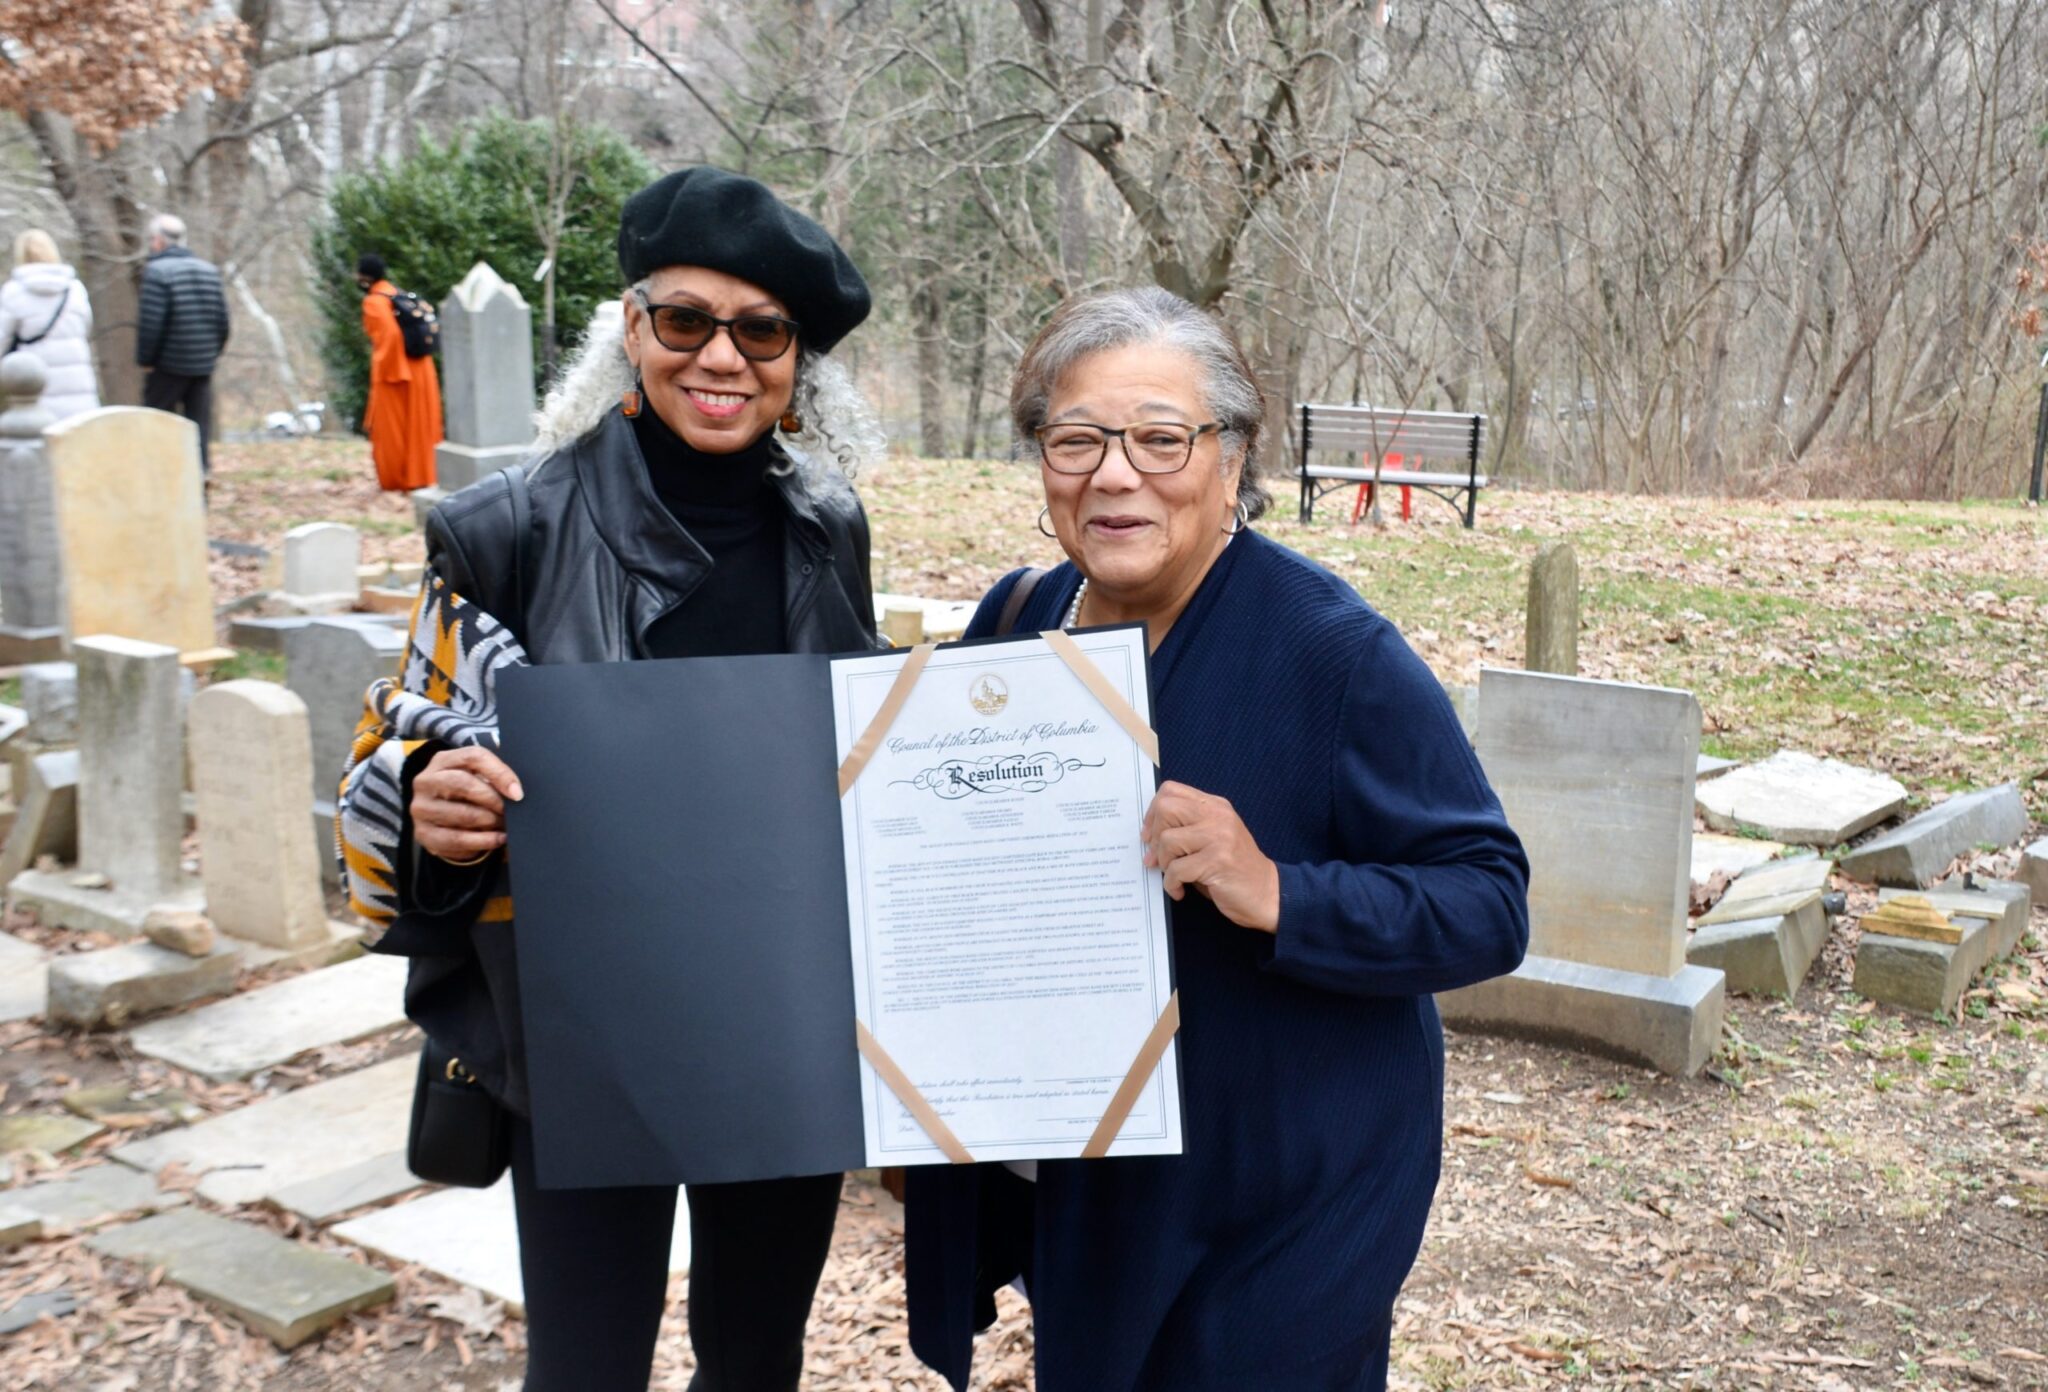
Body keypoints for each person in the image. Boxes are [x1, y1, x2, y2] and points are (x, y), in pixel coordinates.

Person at [905, 287, 1531, 1392]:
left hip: (1283, 1203)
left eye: (1161, 439)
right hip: (1096, 1188)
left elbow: (1488, 903)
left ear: (1231, 460)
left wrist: (1278, 889)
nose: (1114, 475)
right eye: (1076, 440)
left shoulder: (1332, 655)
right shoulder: (1017, 621)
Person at [335, 166, 886, 1392]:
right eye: (684, 319)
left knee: (756, 1359)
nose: (720, 358)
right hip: (583, 1038)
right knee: (584, 1366)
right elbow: (397, 753)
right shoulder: (504, 529)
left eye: (760, 332)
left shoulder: (827, 524)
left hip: (779, 1024)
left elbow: (856, 746)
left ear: (797, 363)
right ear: (630, 328)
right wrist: (433, 805)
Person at [136, 213, 229, 472]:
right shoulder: (209, 271)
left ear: (158, 241)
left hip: (167, 365)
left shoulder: (157, 272)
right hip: (202, 364)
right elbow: (223, 322)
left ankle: (158, 475)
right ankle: (200, 476)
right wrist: (211, 354)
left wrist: (146, 360)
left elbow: (151, 323)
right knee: (199, 425)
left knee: (156, 422)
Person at [355, 252, 444, 491]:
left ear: (365, 277)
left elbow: (389, 336)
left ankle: (397, 479)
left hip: (397, 372)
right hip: (422, 368)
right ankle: (424, 475)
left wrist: (387, 373)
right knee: (422, 425)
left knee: (392, 430)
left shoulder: (374, 302)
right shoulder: (397, 293)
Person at [0, 230, 99, 421]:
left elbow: (2, 338)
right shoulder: (75, 289)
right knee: (79, 431)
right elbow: (85, 328)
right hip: (78, 383)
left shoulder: (14, 292)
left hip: (34, 385)